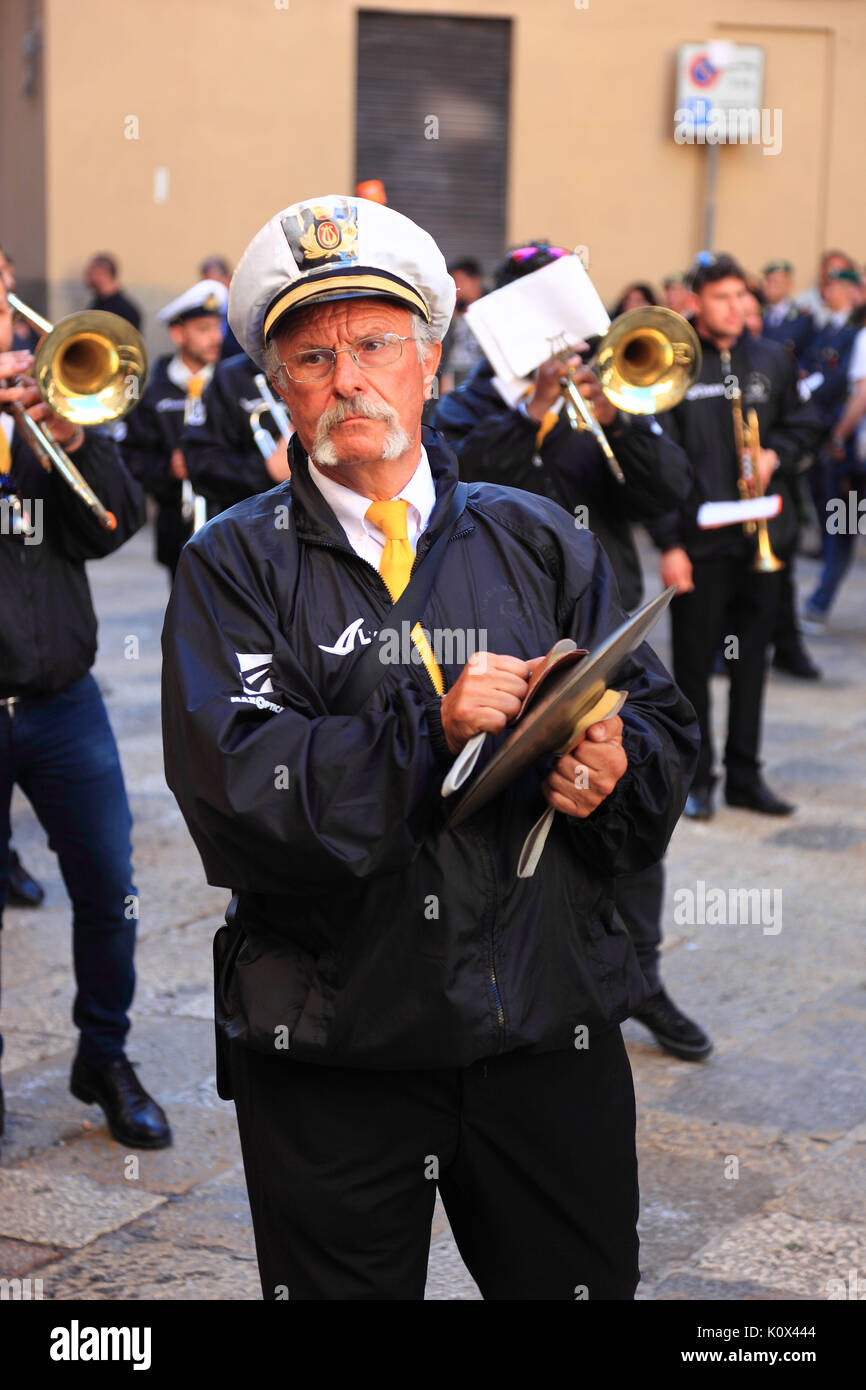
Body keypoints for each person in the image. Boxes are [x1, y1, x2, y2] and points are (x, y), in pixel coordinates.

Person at [161, 193, 699, 1300]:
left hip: (545, 1030)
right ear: (275, 388)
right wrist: (430, 727)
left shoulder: (537, 532)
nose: (348, 377)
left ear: (428, 364)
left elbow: (656, 725)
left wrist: (615, 767)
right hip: (334, 1048)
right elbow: (237, 792)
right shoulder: (231, 564)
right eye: (311, 357)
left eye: (373, 344)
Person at [433, 242, 711, 1063]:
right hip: (496, 641)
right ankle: (514, 972)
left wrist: (620, 417)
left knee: (624, 784)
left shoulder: (611, 395)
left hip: (599, 627)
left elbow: (669, 491)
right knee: (517, 808)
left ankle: (644, 973)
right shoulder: (468, 404)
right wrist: (530, 414)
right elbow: (459, 482)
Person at [0, 282, 170, 1147]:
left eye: (0, 299)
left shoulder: (48, 419)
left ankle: (104, 1055)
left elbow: (113, 526)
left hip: (62, 700)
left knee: (110, 887)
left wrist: (75, 438)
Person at [648, 253, 822, 821]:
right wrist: (669, 543)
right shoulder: (672, 365)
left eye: (741, 297)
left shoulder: (772, 358)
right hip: (699, 544)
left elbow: (805, 423)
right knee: (695, 668)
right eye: (722, 297)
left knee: (752, 664)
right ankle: (699, 781)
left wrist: (777, 452)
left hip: (763, 537)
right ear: (696, 302)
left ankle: (746, 777)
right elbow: (656, 463)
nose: (736, 307)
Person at [121, 280, 227, 580]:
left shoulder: (231, 385)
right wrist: (167, 469)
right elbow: (133, 457)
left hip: (232, 523)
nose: (215, 338)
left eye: (217, 327)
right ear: (178, 333)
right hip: (176, 530)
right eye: (203, 329)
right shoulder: (153, 392)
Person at [802, 267, 866, 626]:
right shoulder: (840, 330)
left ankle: (820, 603)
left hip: (857, 456)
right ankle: (820, 602)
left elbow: (861, 395)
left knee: (842, 527)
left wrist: (839, 436)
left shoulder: (861, 336)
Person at [181, 352, 291, 515]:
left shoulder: (331, 369)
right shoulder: (229, 376)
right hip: (254, 520)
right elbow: (200, 464)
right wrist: (267, 469)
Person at [438, 256, 485, 392]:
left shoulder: (489, 310)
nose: (457, 287)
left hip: (479, 374)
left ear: (474, 280)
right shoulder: (452, 310)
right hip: (454, 375)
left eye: (460, 281)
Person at [762, 261, 813, 362]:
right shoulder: (759, 314)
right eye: (768, 281)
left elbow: (807, 353)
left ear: (789, 285)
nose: (771, 286)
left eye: (776, 282)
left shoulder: (803, 318)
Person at [83, 253, 142, 331]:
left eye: (90, 271)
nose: (87, 276)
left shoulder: (127, 310)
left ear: (102, 272)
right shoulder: (95, 305)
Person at [199, 256, 243, 360]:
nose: (211, 289)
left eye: (215, 281)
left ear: (228, 279)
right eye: (206, 283)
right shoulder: (203, 310)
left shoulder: (241, 310)